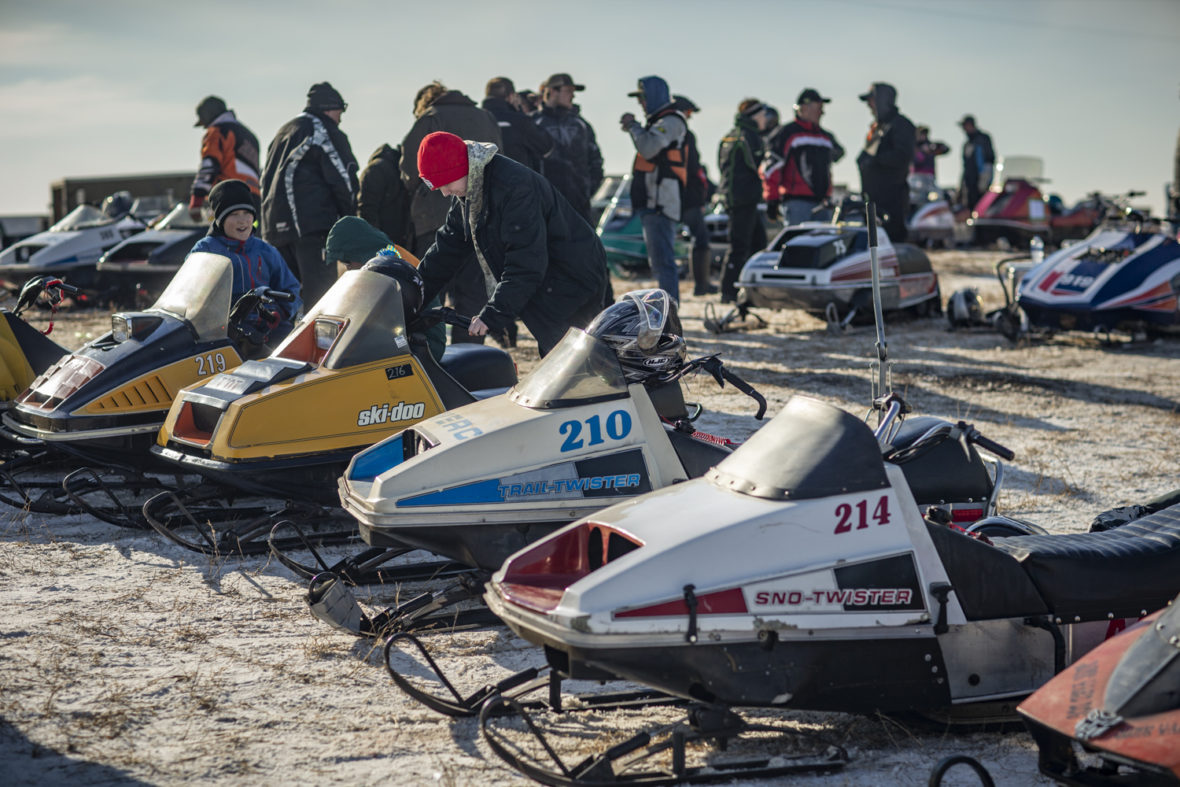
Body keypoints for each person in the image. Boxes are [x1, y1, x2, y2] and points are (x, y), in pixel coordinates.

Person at [413, 131, 607, 357]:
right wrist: (414, 294)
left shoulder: (514, 188)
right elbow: (446, 250)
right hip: (546, 276)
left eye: (446, 184)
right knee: (560, 360)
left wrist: (492, 314)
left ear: (461, 168)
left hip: (572, 275)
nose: (445, 193)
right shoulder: (469, 190)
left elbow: (526, 262)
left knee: (572, 360)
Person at [399, 81, 503, 343]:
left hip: (434, 220)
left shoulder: (429, 119)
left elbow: (411, 171)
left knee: (431, 292)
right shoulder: (486, 118)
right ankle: (469, 358)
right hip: (480, 215)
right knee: (472, 296)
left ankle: (429, 356)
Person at [259, 82, 359, 307]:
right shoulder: (323, 131)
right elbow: (344, 178)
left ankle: (282, 341)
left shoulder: (283, 132)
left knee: (284, 299)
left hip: (274, 230)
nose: (341, 118)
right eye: (340, 111)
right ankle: (318, 343)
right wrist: (351, 219)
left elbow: (266, 178)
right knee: (321, 300)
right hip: (311, 229)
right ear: (329, 108)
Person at [188, 179, 302, 345]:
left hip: (266, 330)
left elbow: (291, 289)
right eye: (234, 214)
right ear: (220, 220)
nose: (242, 220)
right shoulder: (206, 250)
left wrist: (280, 312)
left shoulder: (265, 251)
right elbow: (191, 291)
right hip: (223, 332)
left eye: (247, 213)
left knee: (294, 346)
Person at [323, 215, 444, 361]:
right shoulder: (375, 264)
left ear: (359, 252)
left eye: (347, 262)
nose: (347, 268)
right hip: (397, 338)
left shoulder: (394, 265)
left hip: (423, 346)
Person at [620, 75, 688, 302]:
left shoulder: (670, 121)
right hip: (654, 204)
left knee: (663, 263)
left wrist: (633, 127)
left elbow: (648, 148)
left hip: (660, 204)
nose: (641, 103)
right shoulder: (660, 122)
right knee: (659, 262)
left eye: (643, 97)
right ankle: (669, 311)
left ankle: (669, 313)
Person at [762, 88, 845, 226]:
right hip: (796, 203)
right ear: (804, 108)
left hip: (823, 203)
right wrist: (772, 199)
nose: (822, 112)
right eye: (819, 107)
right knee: (798, 245)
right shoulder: (786, 133)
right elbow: (770, 168)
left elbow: (839, 153)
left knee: (822, 245)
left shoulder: (824, 136)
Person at [717, 99, 769, 303]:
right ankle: (728, 292)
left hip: (737, 199)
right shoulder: (749, 137)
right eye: (764, 115)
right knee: (740, 247)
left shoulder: (729, 136)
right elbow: (760, 167)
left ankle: (749, 291)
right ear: (755, 116)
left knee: (758, 244)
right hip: (744, 200)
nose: (766, 120)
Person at [535, 73, 605, 222]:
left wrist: (586, 191)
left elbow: (596, 161)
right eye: (568, 91)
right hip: (544, 205)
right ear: (552, 92)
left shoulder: (581, 125)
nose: (573, 96)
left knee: (583, 244)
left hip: (578, 205)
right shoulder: (534, 123)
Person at [856, 82, 916, 243]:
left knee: (892, 246)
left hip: (891, 201)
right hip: (872, 201)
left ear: (883, 100)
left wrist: (874, 161)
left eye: (871, 100)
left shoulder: (901, 125)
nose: (869, 105)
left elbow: (902, 156)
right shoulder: (877, 128)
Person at [189, 96, 261, 221]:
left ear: (207, 116)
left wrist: (196, 202)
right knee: (250, 235)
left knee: (223, 238)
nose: (205, 127)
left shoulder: (217, 132)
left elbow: (208, 167)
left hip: (229, 197)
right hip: (254, 199)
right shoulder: (249, 136)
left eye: (204, 123)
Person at [672, 94, 715, 295]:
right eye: (688, 113)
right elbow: (692, 169)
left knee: (694, 239)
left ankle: (700, 283)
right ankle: (701, 284)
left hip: (678, 197)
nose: (690, 117)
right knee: (701, 239)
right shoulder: (685, 136)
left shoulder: (675, 134)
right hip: (688, 198)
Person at [482, 77, 554, 173]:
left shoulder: (476, 119)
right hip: (516, 183)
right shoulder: (520, 121)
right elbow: (546, 147)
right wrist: (520, 112)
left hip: (483, 184)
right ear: (511, 96)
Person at [357, 143, 412, 248]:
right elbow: (367, 210)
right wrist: (377, 244)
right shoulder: (378, 170)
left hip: (394, 244)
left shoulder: (401, 170)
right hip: (384, 246)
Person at [959, 115, 995, 213]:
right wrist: (962, 186)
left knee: (982, 206)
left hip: (981, 182)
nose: (964, 129)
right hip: (969, 184)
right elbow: (965, 166)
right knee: (969, 206)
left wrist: (985, 179)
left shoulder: (983, 139)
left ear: (970, 125)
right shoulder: (967, 144)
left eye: (965, 126)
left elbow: (989, 159)